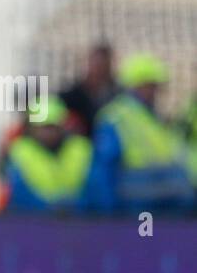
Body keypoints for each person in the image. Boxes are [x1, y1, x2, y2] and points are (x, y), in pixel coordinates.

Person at [81, 53, 193, 214]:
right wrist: (108, 212)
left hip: (163, 207)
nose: (155, 91)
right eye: (150, 85)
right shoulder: (115, 118)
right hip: (133, 209)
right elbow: (103, 169)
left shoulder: (153, 118)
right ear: (136, 85)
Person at [2, 96, 92, 213]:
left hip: (80, 222)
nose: (48, 133)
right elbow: (17, 192)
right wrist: (48, 208)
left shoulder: (81, 148)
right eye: (43, 127)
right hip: (34, 222)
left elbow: (95, 187)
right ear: (32, 128)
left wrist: (75, 206)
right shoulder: (19, 151)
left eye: (52, 127)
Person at [58, 42, 119, 133]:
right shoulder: (73, 95)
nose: (99, 70)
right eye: (96, 64)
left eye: (103, 65)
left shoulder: (118, 95)